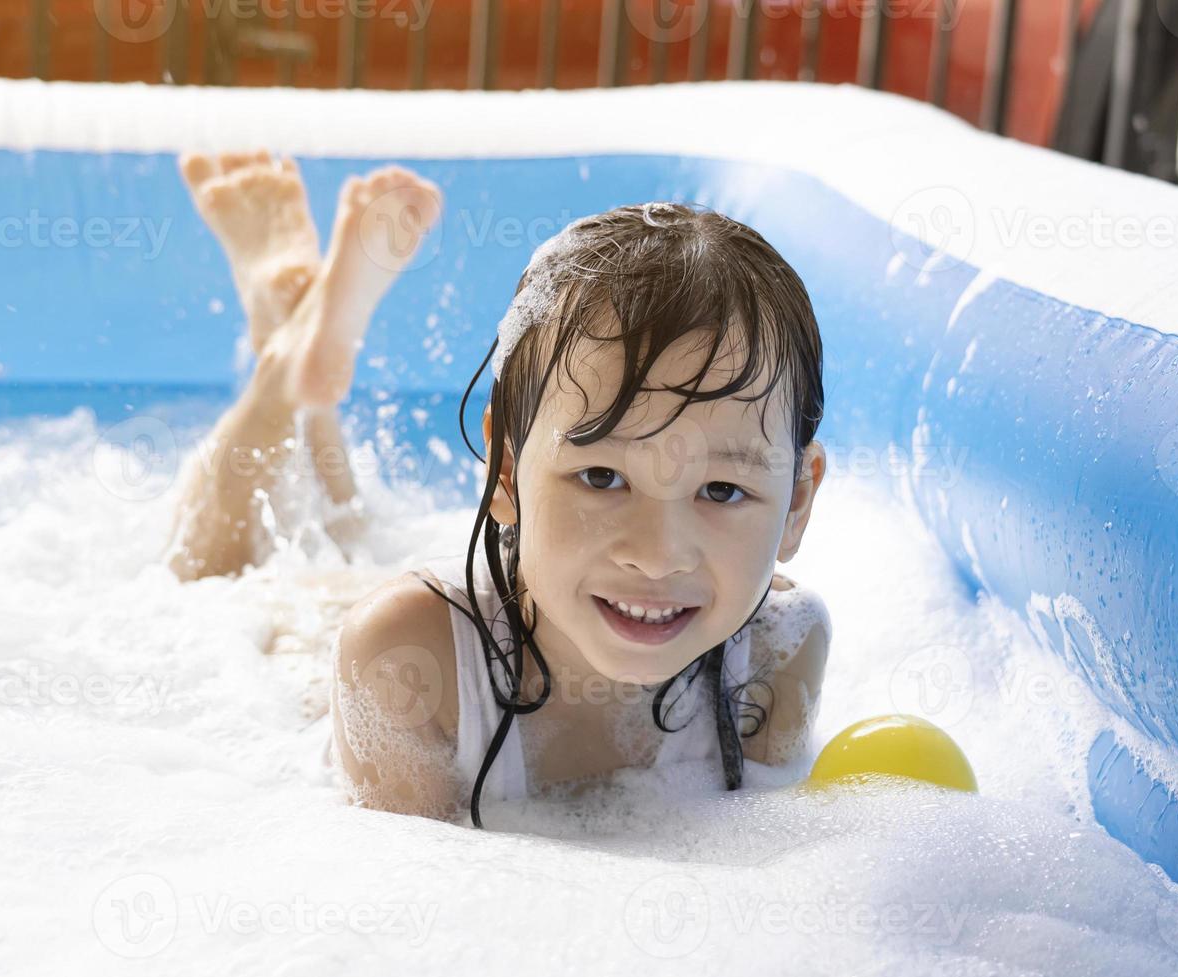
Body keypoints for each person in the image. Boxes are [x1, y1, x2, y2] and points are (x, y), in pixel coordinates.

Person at [169, 151, 832, 828]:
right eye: (603, 478)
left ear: (797, 503)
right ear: (505, 473)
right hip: (335, 657)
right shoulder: (403, 662)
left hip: (507, 592)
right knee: (214, 572)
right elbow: (411, 907)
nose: (658, 556)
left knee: (347, 530)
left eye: (721, 491)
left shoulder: (782, 652)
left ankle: (300, 350)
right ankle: (283, 371)